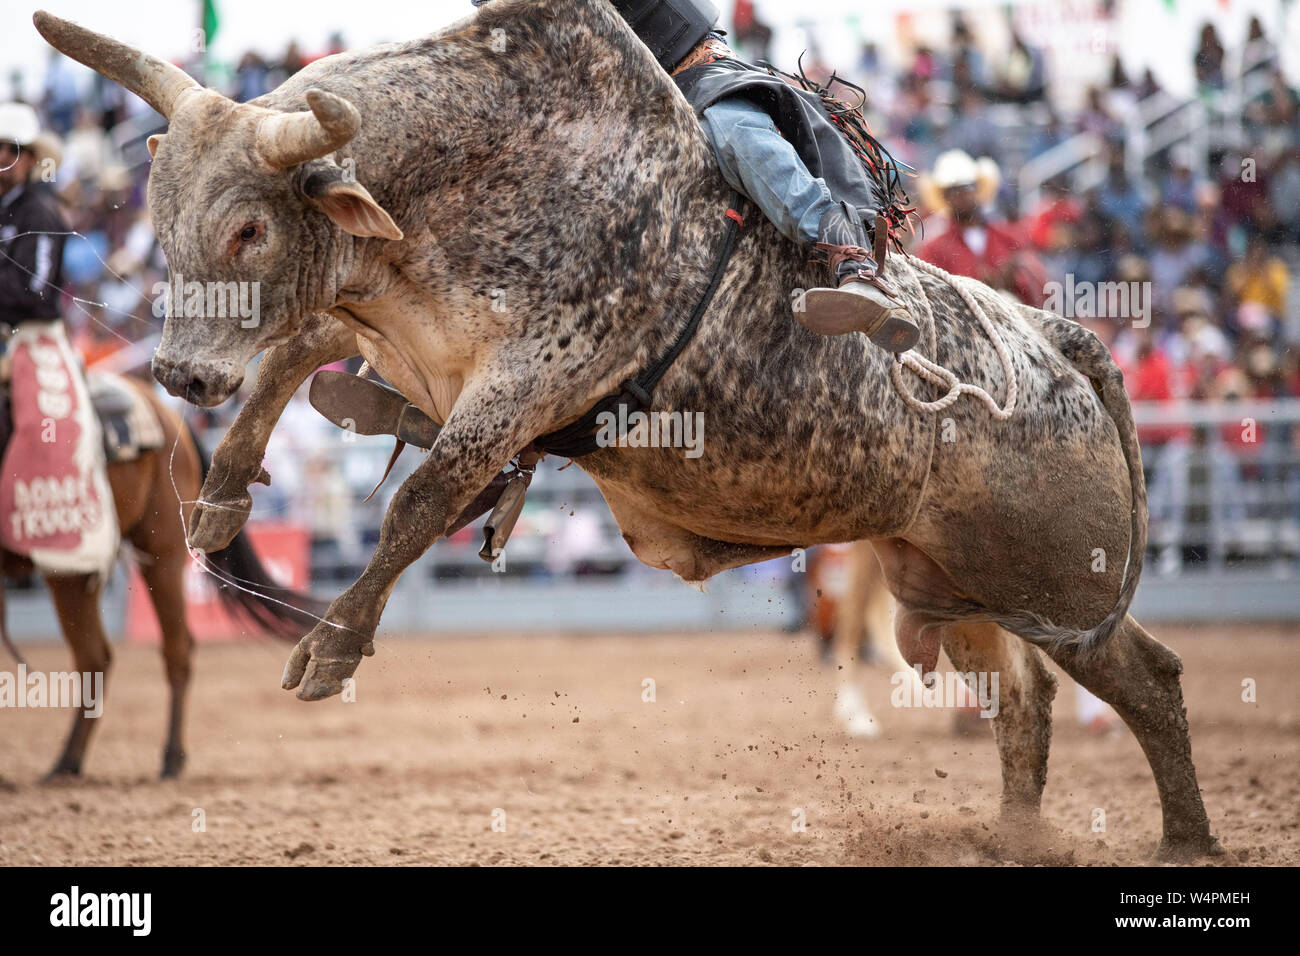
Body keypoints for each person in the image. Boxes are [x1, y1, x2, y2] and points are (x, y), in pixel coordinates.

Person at [0, 101, 118, 579]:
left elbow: (33, 290)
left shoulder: (42, 211)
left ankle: (45, 519)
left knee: (39, 419)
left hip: (31, 335)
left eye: (6, 151)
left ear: (28, 158)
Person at [916, 150, 1047, 308]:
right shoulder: (933, 248)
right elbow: (933, 297)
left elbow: (1037, 287)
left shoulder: (1009, 237)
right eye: (953, 191)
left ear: (977, 190)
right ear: (945, 198)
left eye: (966, 188)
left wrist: (1012, 280)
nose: (961, 195)